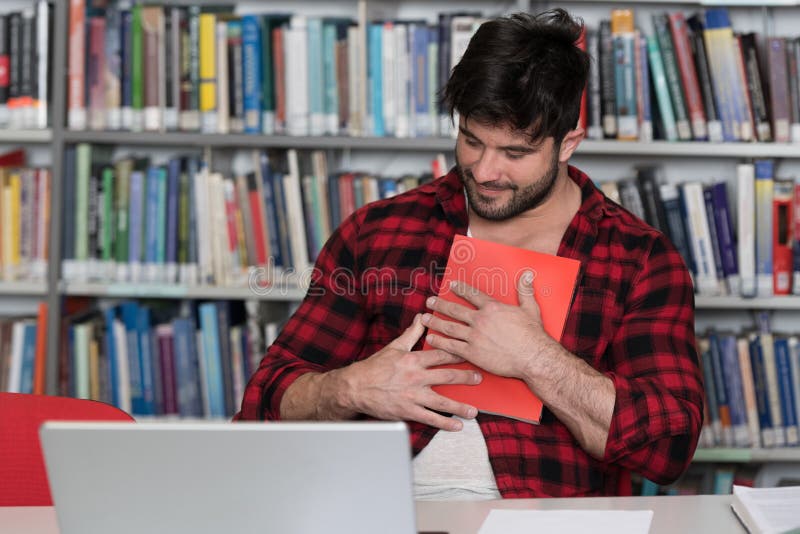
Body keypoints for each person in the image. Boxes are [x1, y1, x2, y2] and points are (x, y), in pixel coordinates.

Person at [236, 9, 704, 499]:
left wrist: (536, 358)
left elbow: (668, 448)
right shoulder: (380, 232)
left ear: (568, 144)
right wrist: (348, 389)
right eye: (471, 140)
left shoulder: (638, 258)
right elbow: (261, 403)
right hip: (380, 510)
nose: (484, 171)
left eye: (515, 153)